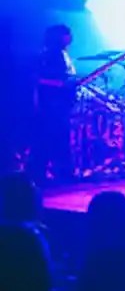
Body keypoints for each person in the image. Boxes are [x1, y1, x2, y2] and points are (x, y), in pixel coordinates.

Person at [30, 24, 76, 183]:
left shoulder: (62, 54)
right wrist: (61, 84)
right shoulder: (51, 55)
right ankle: (52, 175)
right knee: (52, 139)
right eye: (67, 34)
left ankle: (60, 174)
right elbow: (37, 79)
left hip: (59, 105)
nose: (70, 37)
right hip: (51, 106)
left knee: (58, 139)